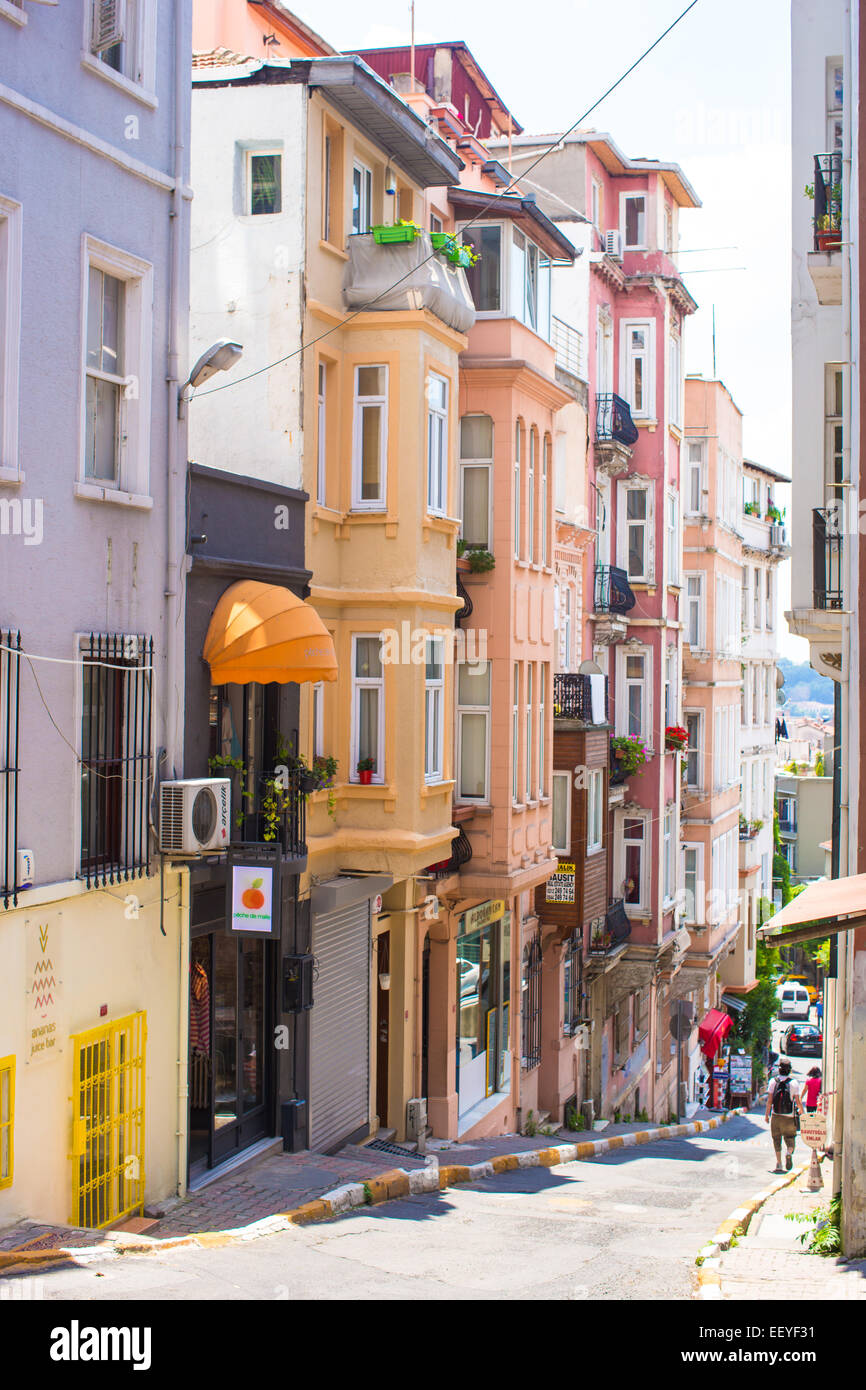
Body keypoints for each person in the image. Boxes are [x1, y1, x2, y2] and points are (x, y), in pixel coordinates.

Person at [764, 1059, 804, 1172]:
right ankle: (788, 1153)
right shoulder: (794, 1083)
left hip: (776, 1115)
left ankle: (779, 1163)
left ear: (779, 1069)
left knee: (776, 1139)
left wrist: (767, 1115)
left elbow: (769, 1100)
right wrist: (802, 1112)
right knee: (790, 1138)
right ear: (789, 1070)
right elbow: (797, 1100)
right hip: (789, 1117)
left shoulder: (773, 1081)